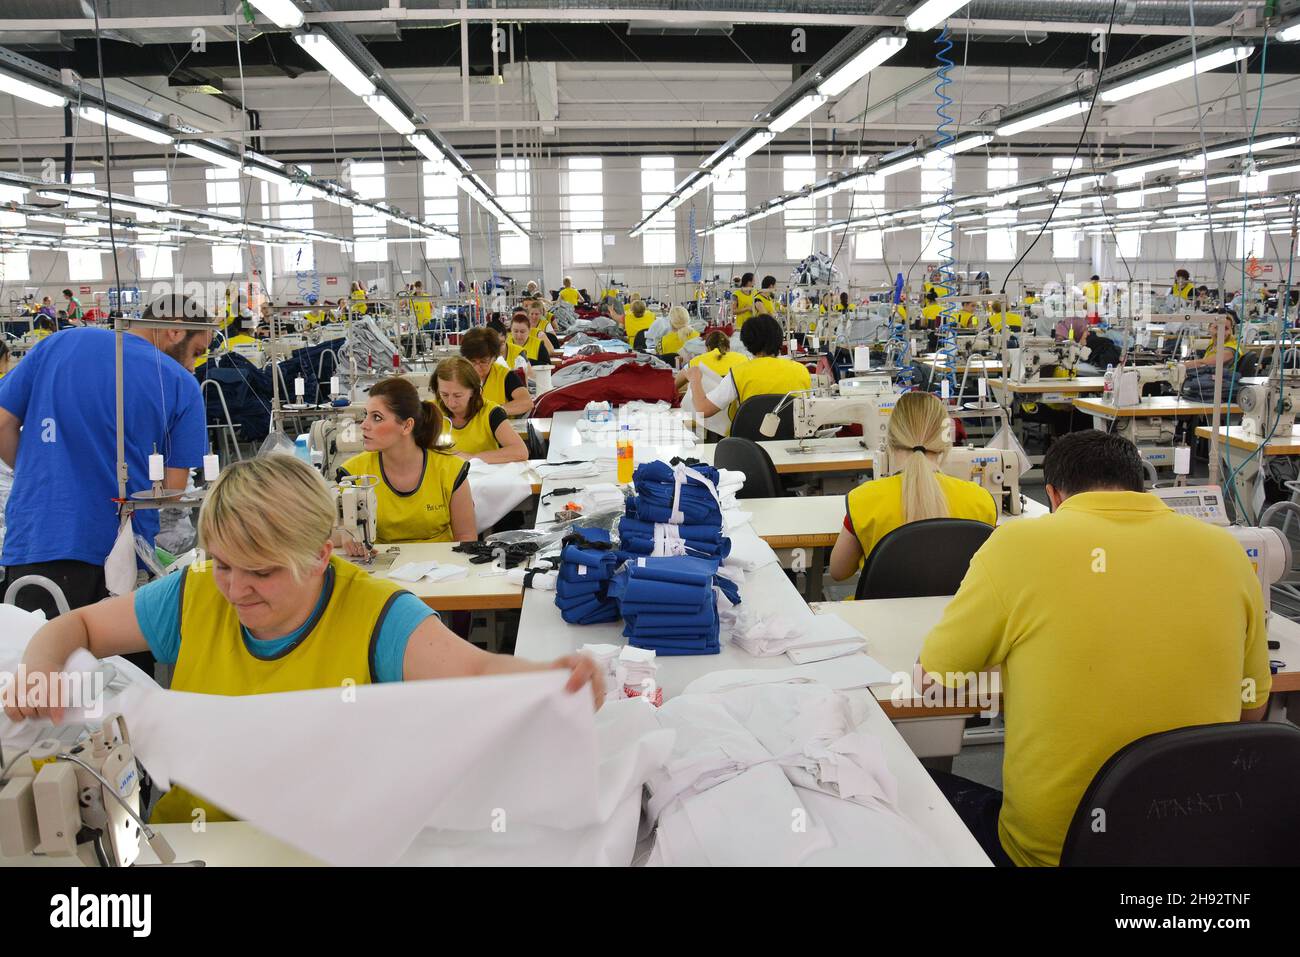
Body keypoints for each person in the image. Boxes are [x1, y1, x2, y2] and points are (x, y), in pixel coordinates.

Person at [4, 454, 604, 822]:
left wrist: (548, 679)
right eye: (223, 564)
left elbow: (473, 673)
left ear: (320, 556)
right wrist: (40, 668)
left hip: (329, 842)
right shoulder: (192, 596)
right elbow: (77, 625)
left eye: (262, 572)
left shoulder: (378, 615)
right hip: (197, 840)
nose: (235, 589)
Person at [918, 430, 1269, 867]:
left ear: (1053, 495)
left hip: (1056, 854)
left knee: (910, 790)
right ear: (1139, 485)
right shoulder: (1227, 552)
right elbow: (1252, 710)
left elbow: (934, 682)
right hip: (1193, 842)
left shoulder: (1015, 547)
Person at [0, 294, 210, 624]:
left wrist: (38, 471)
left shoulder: (57, 344)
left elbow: (2, 424)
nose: (193, 366)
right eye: (196, 352)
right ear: (174, 330)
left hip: (38, 540)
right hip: (124, 557)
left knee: (41, 653)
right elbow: (172, 489)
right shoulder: (181, 383)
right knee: (118, 658)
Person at [829, 392, 996, 580]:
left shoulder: (862, 500)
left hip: (886, 600)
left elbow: (838, 571)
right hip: (960, 600)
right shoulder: (981, 500)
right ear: (945, 440)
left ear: (890, 439)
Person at [339, 377, 475, 549]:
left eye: (377, 418)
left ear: (406, 426)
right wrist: (344, 535)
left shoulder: (450, 470)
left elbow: (466, 537)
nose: (364, 425)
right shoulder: (352, 474)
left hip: (441, 562)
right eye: (366, 415)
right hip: (380, 561)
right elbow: (328, 535)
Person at [685, 315, 810, 430]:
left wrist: (695, 380)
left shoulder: (739, 373)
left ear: (746, 342)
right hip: (794, 440)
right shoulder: (801, 370)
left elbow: (703, 409)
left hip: (749, 443)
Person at [433, 357, 529, 464]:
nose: (451, 403)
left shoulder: (490, 413)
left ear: (473, 391)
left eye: (458, 395)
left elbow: (520, 451)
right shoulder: (431, 412)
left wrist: (472, 458)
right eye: (444, 395)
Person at [458, 327, 532, 416]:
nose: (477, 367)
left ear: (494, 358)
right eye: (472, 361)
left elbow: (526, 402)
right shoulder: (458, 375)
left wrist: (494, 411)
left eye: (483, 362)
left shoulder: (505, 376)